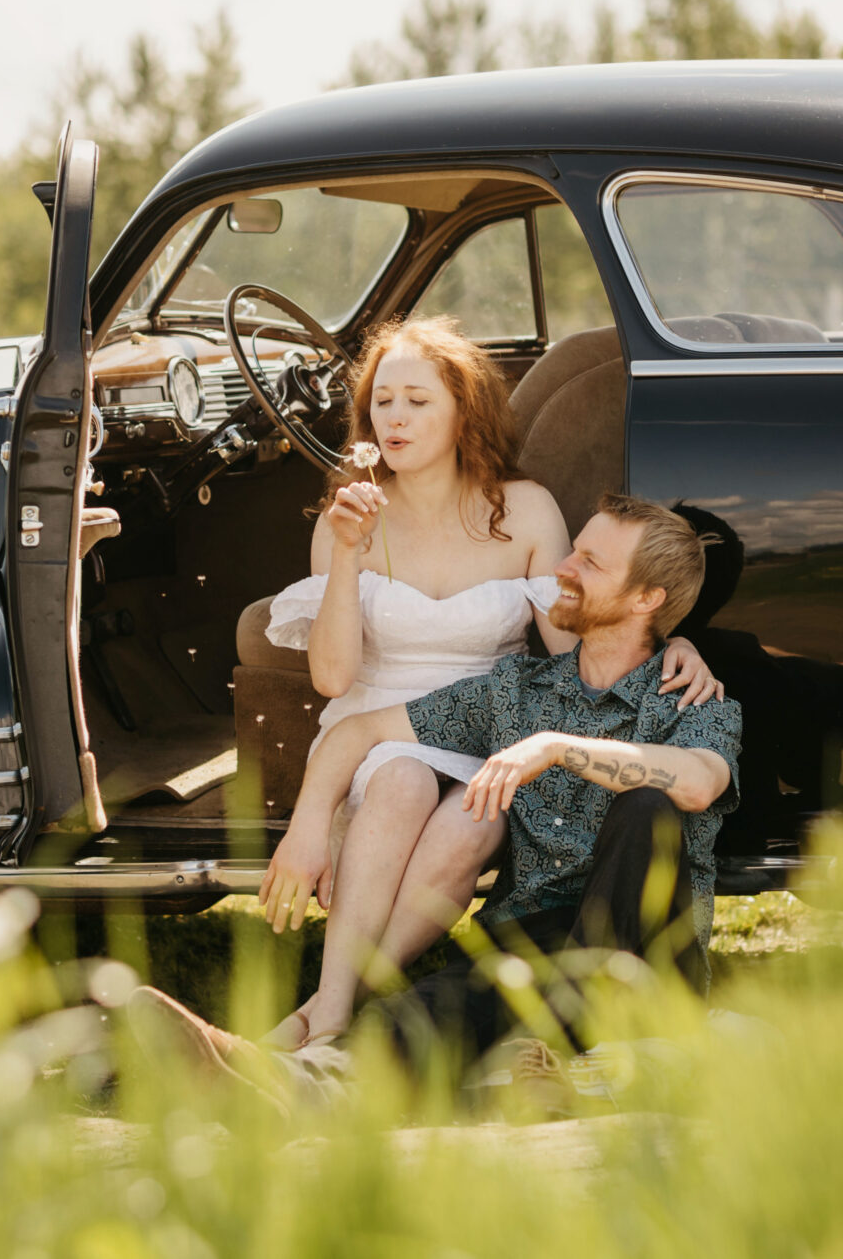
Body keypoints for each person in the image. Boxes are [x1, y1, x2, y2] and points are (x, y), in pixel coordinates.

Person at [133, 494, 743, 1102]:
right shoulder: (517, 693)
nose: (563, 567)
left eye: (590, 561)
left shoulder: (691, 701)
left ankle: (574, 1037)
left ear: (646, 600)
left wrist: (557, 747)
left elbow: (698, 781)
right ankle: (272, 1081)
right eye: (574, 550)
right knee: (427, 1013)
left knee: (648, 805)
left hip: (649, 961)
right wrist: (310, 827)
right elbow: (357, 731)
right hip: (532, 942)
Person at [258, 318, 719, 1049]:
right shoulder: (350, 515)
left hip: (489, 728)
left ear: (462, 411)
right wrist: (345, 553)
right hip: (377, 724)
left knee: (477, 814)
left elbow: (582, 639)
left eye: (416, 401)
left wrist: (675, 638)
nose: (396, 417)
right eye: (382, 402)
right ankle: (335, 1011)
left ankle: (330, 1010)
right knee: (404, 778)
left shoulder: (525, 508)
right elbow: (334, 677)